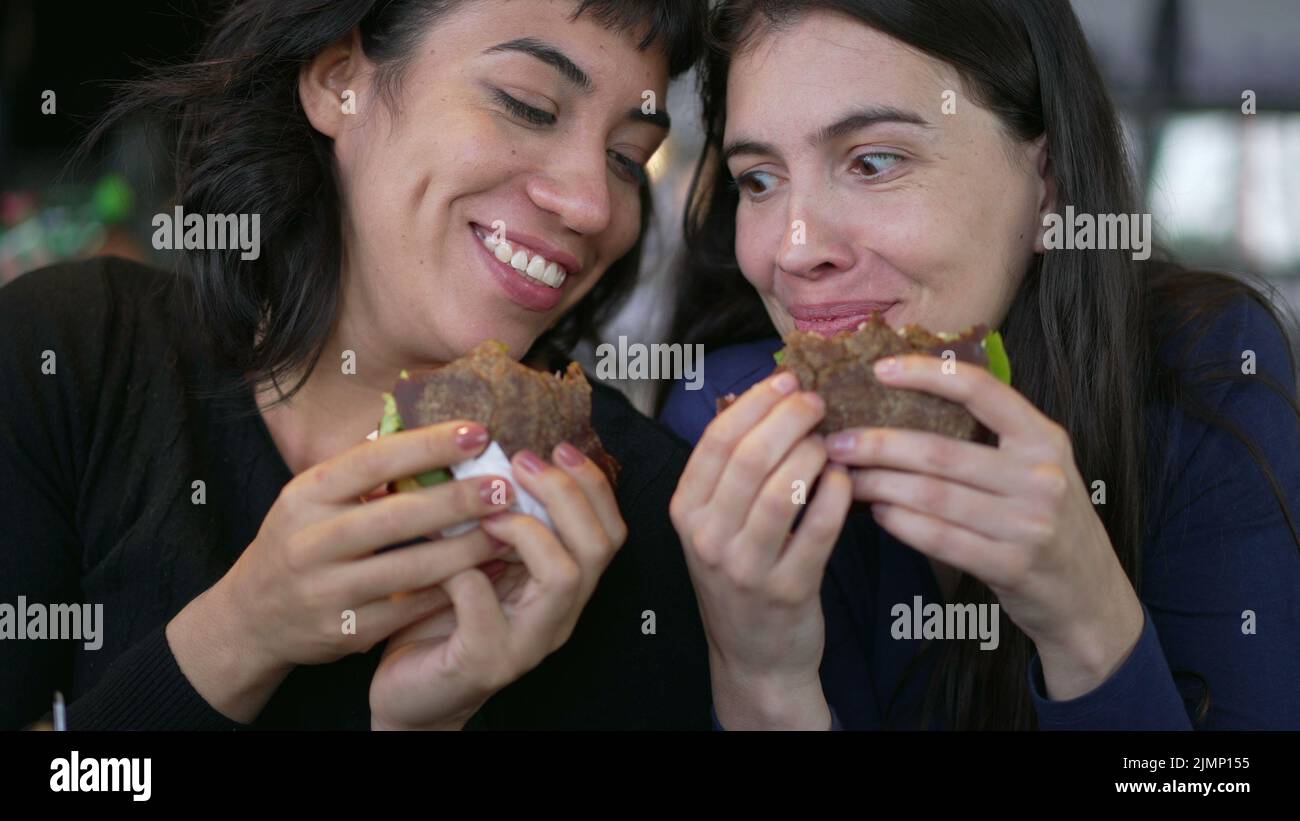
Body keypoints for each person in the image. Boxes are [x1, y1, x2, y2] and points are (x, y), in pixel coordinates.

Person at [0, 0, 711, 730]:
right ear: (338, 78)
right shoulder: (70, 357)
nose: (594, 204)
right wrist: (238, 637)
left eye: (628, 157)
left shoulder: (636, 516)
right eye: (529, 105)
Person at [660, 0, 1300, 730]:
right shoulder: (723, 431)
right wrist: (764, 680)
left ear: (1048, 182)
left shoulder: (1202, 374)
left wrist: (1089, 627)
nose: (796, 250)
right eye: (759, 181)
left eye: (874, 161)